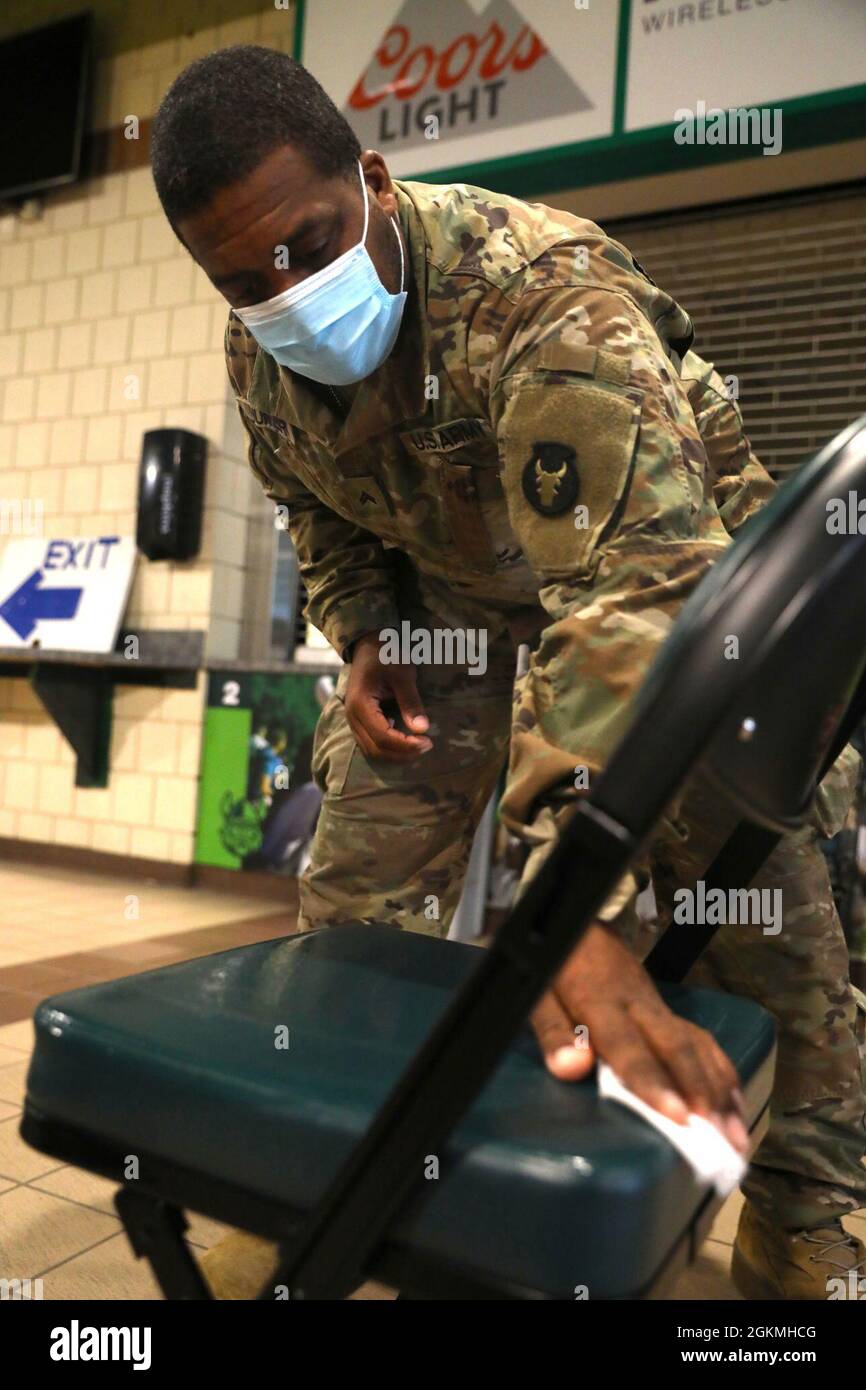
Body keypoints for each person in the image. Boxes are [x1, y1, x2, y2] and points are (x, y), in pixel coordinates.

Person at [150, 45, 866, 1300]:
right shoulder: (260, 355)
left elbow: (633, 590)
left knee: (758, 895)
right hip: (462, 615)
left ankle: (801, 1213)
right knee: (363, 867)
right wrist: (368, 626)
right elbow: (321, 516)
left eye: (311, 241)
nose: (285, 289)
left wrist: (568, 907)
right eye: (240, 276)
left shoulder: (542, 295)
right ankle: (324, 1164)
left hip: (690, 601)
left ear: (371, 177)